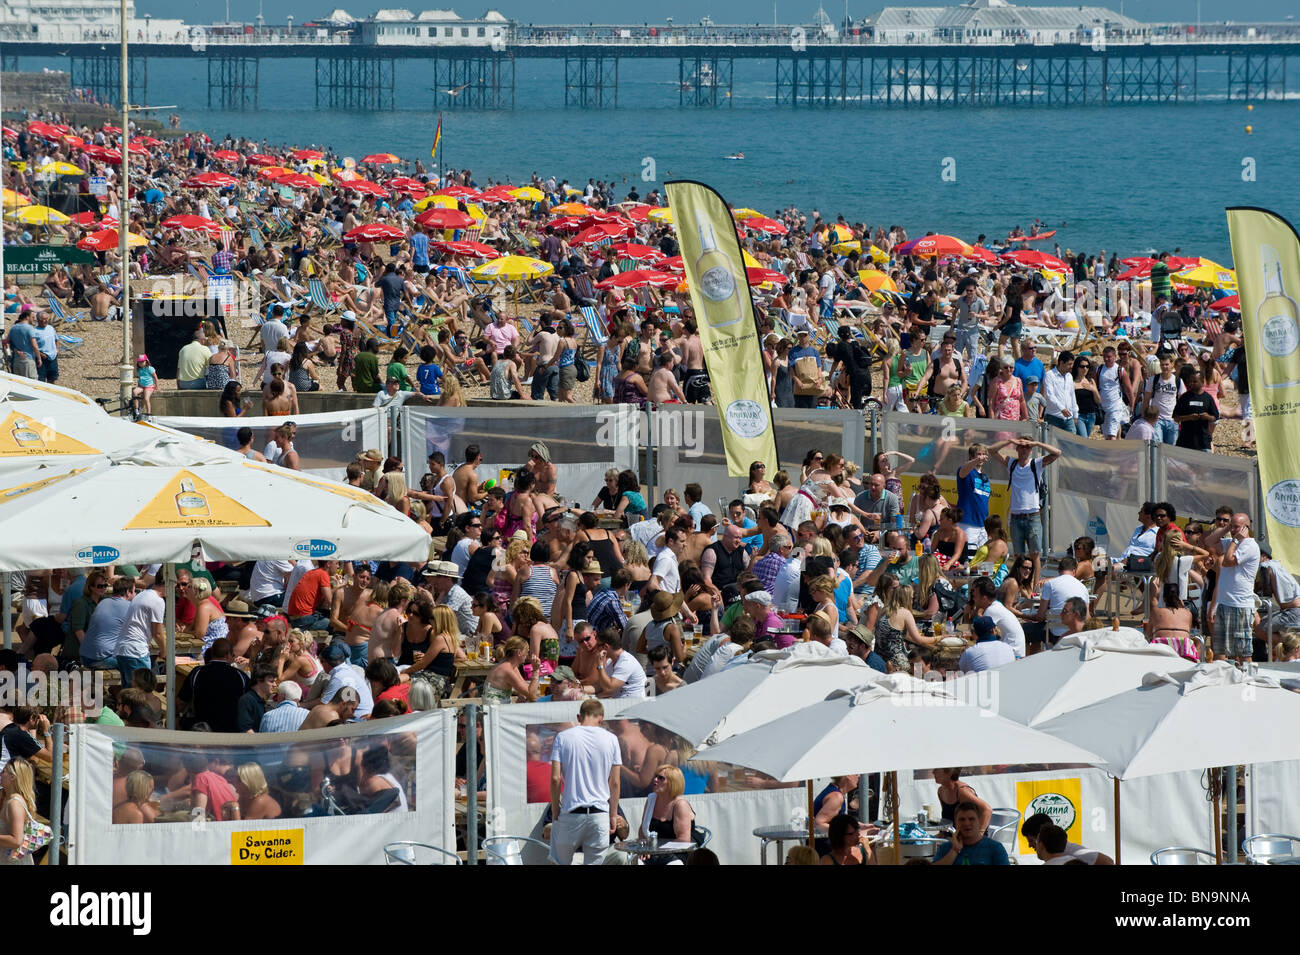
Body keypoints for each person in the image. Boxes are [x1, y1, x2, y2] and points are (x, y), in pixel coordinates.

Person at [549, 698, 622, 865]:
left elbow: (555, 778)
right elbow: (615, 782)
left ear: (578, 717)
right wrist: (613, 813)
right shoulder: (612, 739)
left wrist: (555, 809)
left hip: (571, 812)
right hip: (599, 814)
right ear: (601, 717)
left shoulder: (562, 737)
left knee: (560, 862)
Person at [991, 436, 1061, 588]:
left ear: (1031, 450)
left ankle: (1034, 588)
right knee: (1019, 557)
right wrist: (1011, 440)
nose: (1024, 449)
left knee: (1035, 554)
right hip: (1016, 516)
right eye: (1021, 447)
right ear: (1017, 448)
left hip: (1033, 516)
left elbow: (1057, 453)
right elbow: (991, 451)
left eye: (1027, 447)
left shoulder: (1036, 463)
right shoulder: (1012, 463)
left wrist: (1036, 443)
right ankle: (1020, 588)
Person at [1214, 512, 1259, 664]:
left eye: (1236, 527)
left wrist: (1235, 540)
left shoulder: (1249, 546)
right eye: (1231, 526)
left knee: (1243, 652)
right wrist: (1226, 528)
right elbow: (1208, 541)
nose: (1232, 529)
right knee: (1223, 651)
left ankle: (1249, 680)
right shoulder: (1232, 542)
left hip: (1240, 605)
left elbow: (1227, 561)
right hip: (1225, 602)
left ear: (1245, 528)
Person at [637, 764, 700, 863]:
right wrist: (643, 847)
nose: (655, 780)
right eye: (656, 776)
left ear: (672, 783)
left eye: (661, 778)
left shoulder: (680, 805)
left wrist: (656, 850)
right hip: (653, 852)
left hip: (677, 853)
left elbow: (683, 840)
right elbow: (642, 830)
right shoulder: (651, 799)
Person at [1029, 557, 1091, 649]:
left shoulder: (1050, 584)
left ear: (1058, 571)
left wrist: (1024, 616)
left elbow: (1040, 616)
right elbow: (1087, 617)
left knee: (1030, 632)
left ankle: (1033, 660)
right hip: (1077, 634)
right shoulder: (1083, 587)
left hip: (1055, 635)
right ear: (1074, 571)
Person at [933, 801, 1008, 865]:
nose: (966, 823)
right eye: (962, 819)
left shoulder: (995, 848)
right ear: (955, 823)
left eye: (971, 819)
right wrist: (955, 850)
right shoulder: (945, 848)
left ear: (979, 822)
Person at [1021, 812, 1114, 864]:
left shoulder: (1073, 851)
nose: (1029, 845)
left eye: (1031, 841)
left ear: (1041, 838)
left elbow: (1108, 862)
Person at [0, 758, 40, 865]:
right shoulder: (5, 797)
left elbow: (17, 840)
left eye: (4, 771)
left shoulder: (15, 803)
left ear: (12, 777)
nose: (0, 774)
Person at [483, 636, 542, 705]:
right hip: (494, 712)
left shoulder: (511, 666)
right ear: (519, 653)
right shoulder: (507, 670)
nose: (527, 655)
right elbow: (532, 696)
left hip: (498, 707)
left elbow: (526, 688)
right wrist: (536, 671)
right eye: (527, 651)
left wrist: (522, 694)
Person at [592, 626, 646, 699]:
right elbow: (600, 686)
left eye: (598, 645)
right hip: (622, 702)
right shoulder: (610, 663)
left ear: (605, 646)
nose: (596, 649)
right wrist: (581, 689)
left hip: (636, 704)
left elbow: (609, 688)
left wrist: (600, 665)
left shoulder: (626, 662)